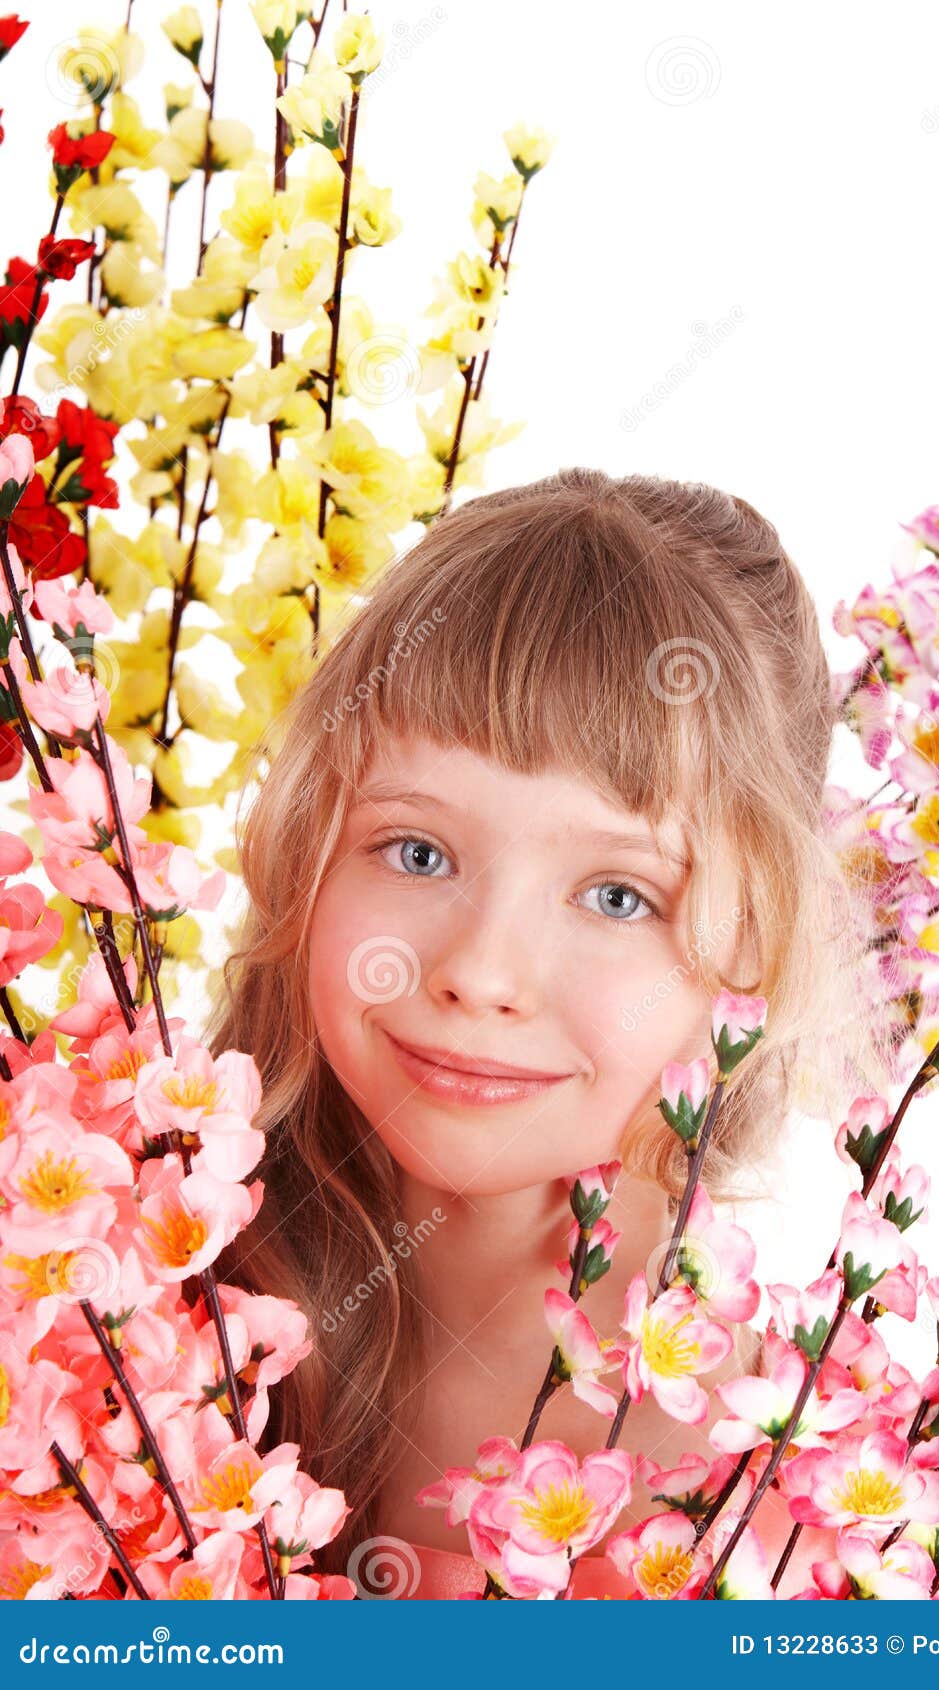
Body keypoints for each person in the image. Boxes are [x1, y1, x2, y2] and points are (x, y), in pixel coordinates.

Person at [206, 467, 875, 1598]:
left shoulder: (795, 1520)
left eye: (617, 895)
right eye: (416, 851)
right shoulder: (117, 1325)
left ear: (755, 948)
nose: (479, 974)